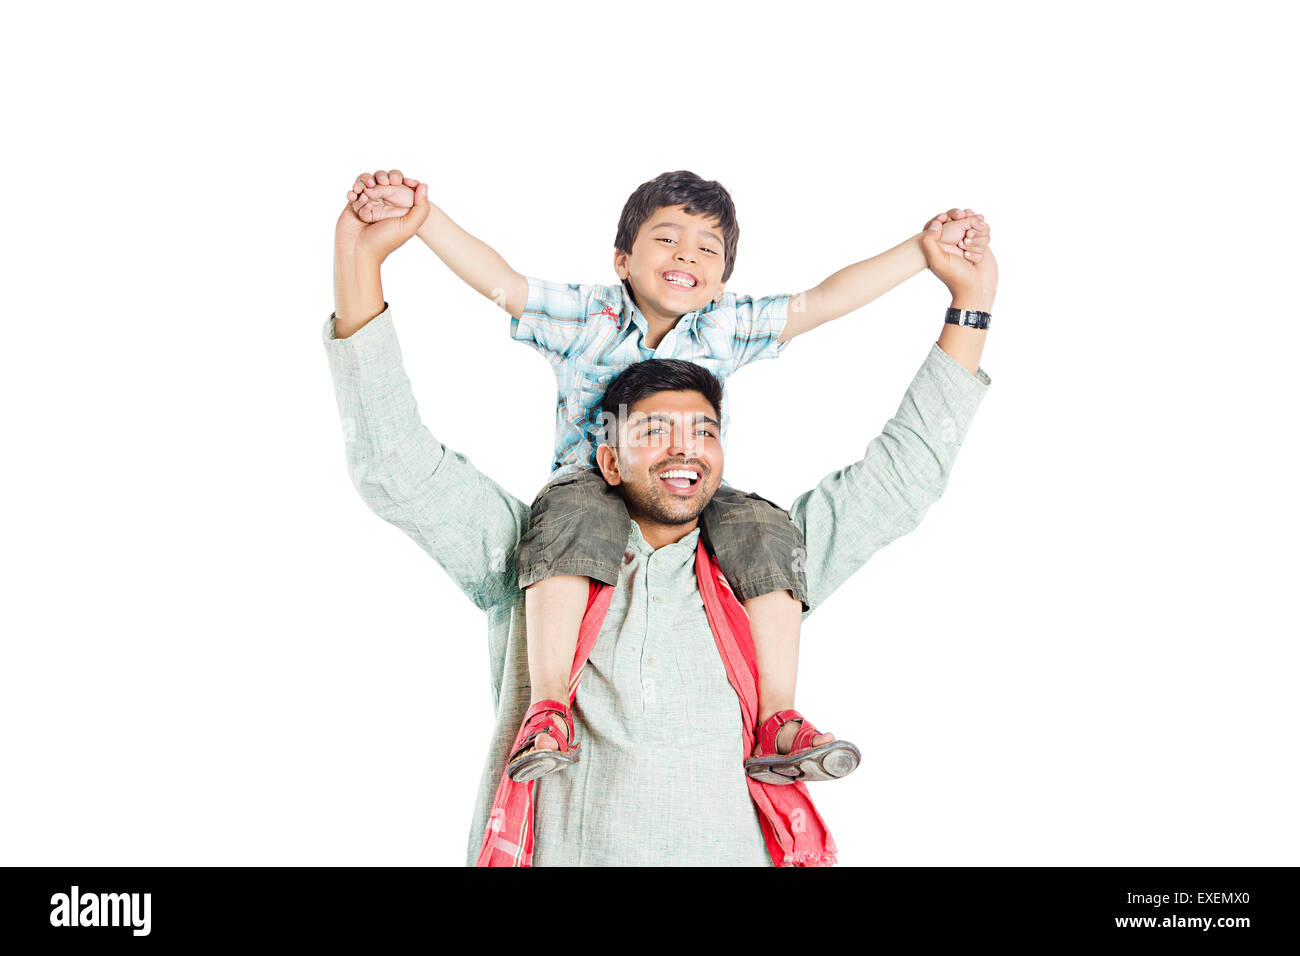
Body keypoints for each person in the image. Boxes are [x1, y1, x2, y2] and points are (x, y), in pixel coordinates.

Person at [322, 180, 997, 865]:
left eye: (703, 429)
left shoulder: (762, 571)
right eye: (655, 429)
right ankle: (546, 712)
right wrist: (360, 261)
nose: (684, 446)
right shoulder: (531, 556)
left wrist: (968, 303)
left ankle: (780, 720)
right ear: (608, 455)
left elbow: (903, 475)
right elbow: (395, 465)